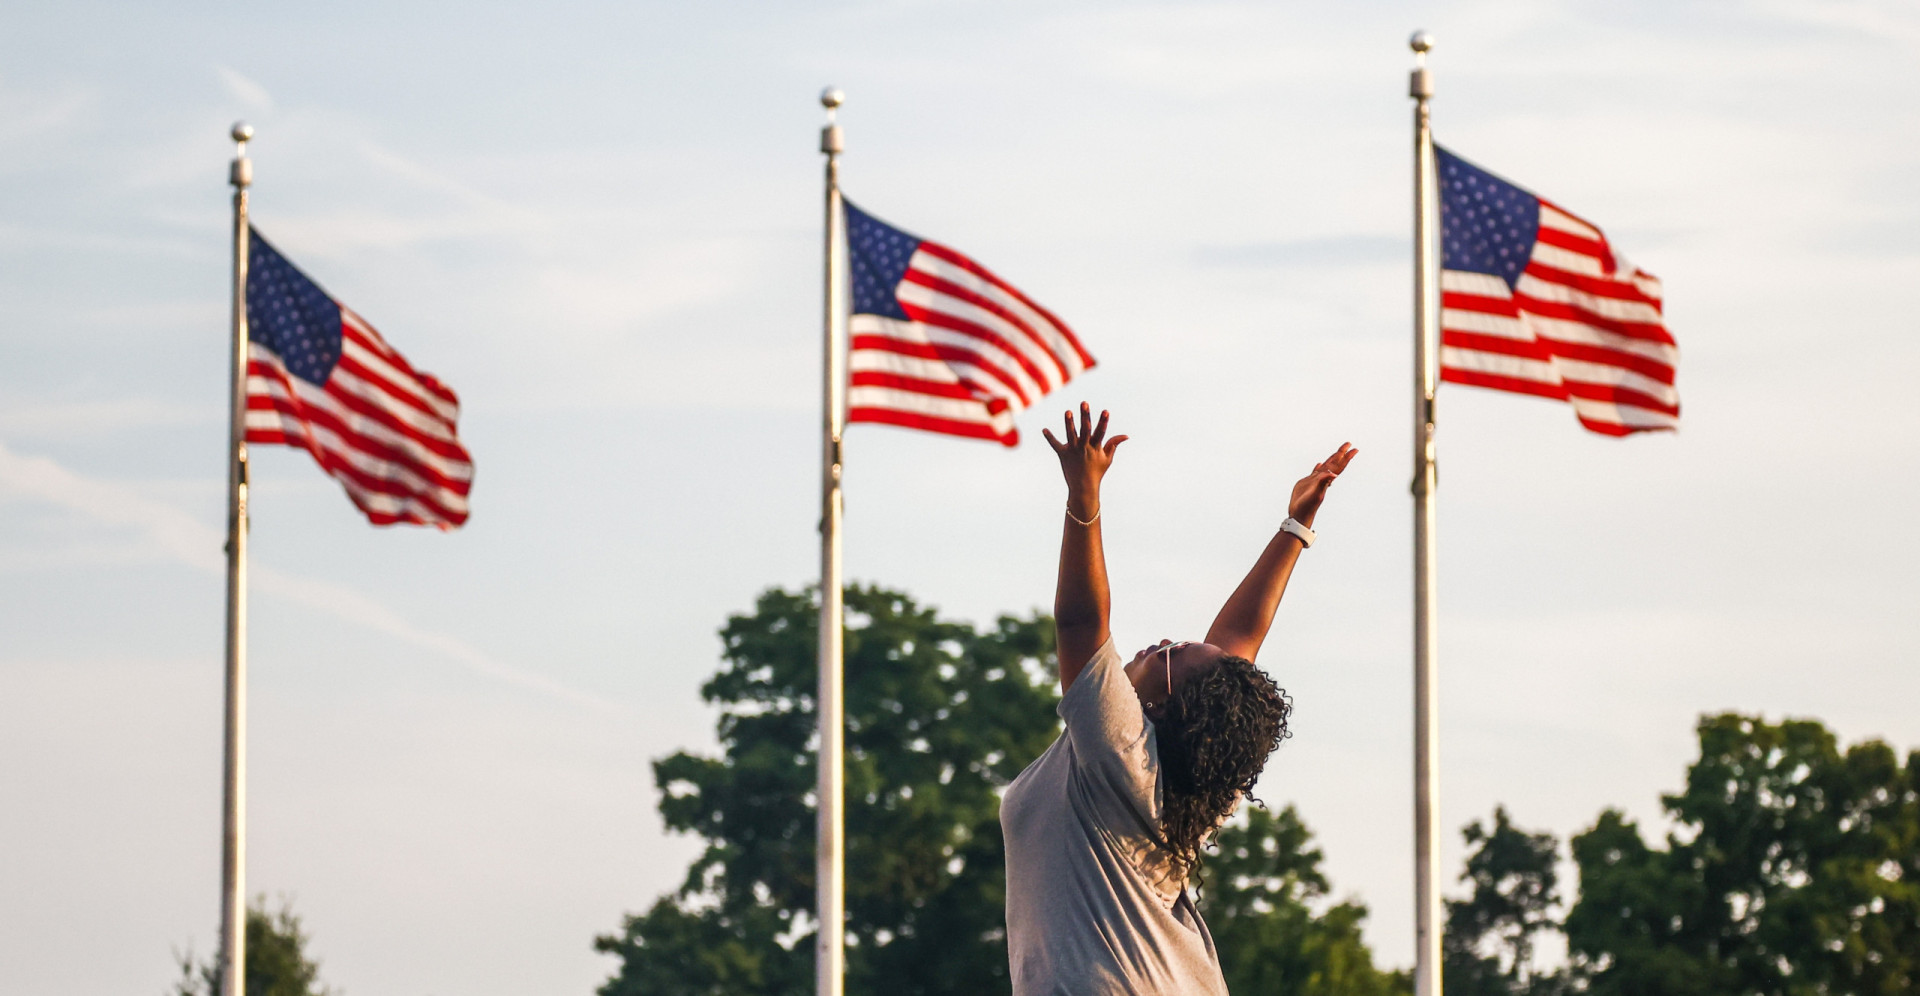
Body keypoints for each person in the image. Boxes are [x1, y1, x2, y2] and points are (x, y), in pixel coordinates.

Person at [999, 402, 1358, 995]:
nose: (1160, 642)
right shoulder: (1198, 786)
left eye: (1169, 652)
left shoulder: (1120, 749)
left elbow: (1080, 623)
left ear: (1162, 706)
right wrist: (1294, 529)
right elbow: (1235, 649)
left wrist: (1083, 498)